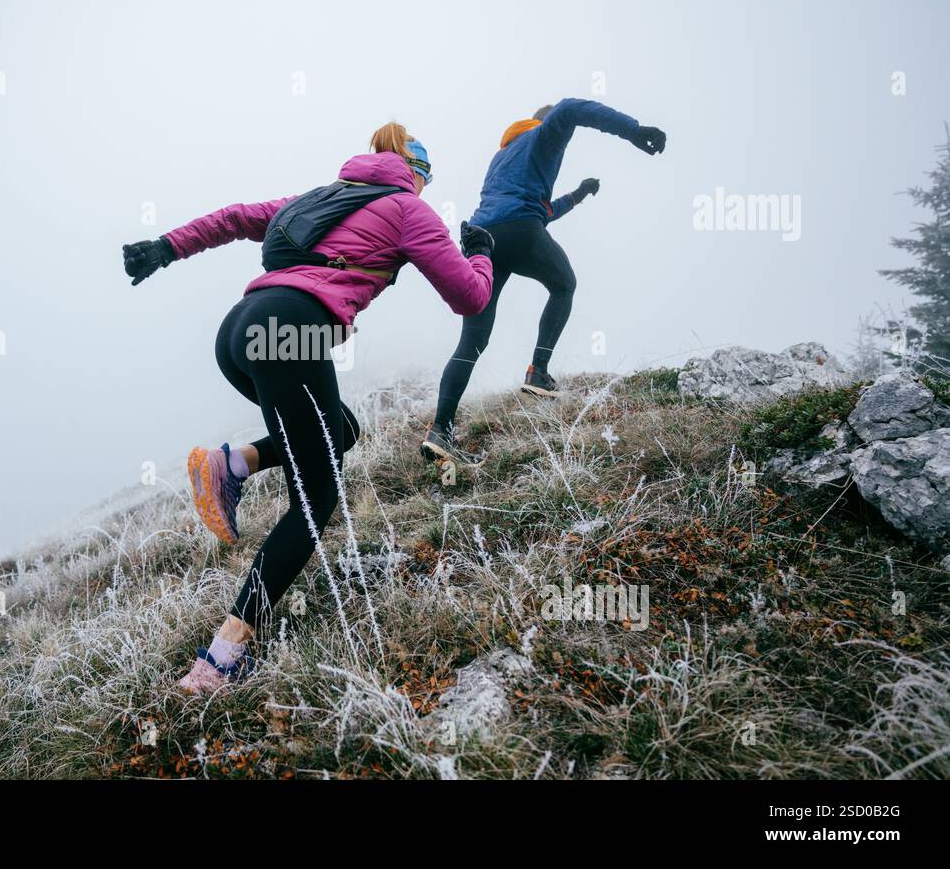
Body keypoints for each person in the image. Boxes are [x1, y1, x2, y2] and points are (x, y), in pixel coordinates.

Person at [122, 123, 494, 694]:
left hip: (240, 333)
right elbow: (469, 296)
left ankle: (233, 464)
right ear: (415, 172)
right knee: (317, 496)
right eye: (426, 176)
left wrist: (166, 247)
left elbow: (236, 216)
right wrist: (480, 255)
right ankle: (221, 660)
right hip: (289, 332)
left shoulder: (317, 197)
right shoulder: (407, 209)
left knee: (339, 428)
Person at [422, 99, 667, 466]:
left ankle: (441, 429)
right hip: (519, 228)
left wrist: (578, 196)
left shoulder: (504, 155)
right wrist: (635, 131)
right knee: (564, 284)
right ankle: (539, 371)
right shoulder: (544, 133)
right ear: (543, 123)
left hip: (483, 238)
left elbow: (538, 209)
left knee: (473, 339)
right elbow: (570, 108)